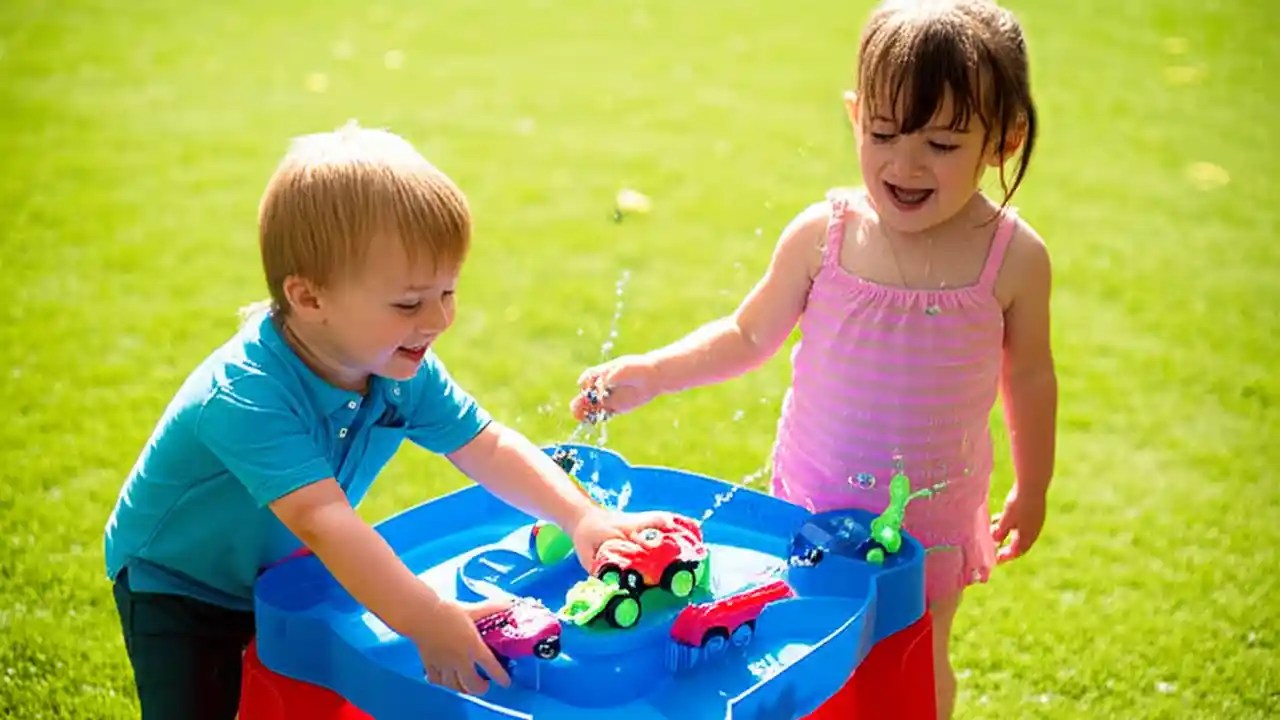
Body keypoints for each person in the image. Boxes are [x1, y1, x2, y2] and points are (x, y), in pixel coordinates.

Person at [571, 1, 1057, 716]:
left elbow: (1031, 376)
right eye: (884, 132)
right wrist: (651, 372)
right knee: (805, 650)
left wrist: (1034, 486)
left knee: (917, 654)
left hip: (931, 513)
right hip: (811, 498)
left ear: (1003, 139)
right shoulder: (824, 236)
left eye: (942, 145)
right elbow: (745, 336)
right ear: (856, 114)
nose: (906, 163)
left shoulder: (1012, 258)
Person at [104, 121, 684, 719]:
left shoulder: (395, 362)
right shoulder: (248, 395)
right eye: (409, 302)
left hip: (283, 565)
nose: (438, 319)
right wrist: (428, 620)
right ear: (309, 298)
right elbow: (325, 521)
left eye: (448, 292)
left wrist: (581, 516)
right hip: (178, 585)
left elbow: (485, 446)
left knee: (304, 693)